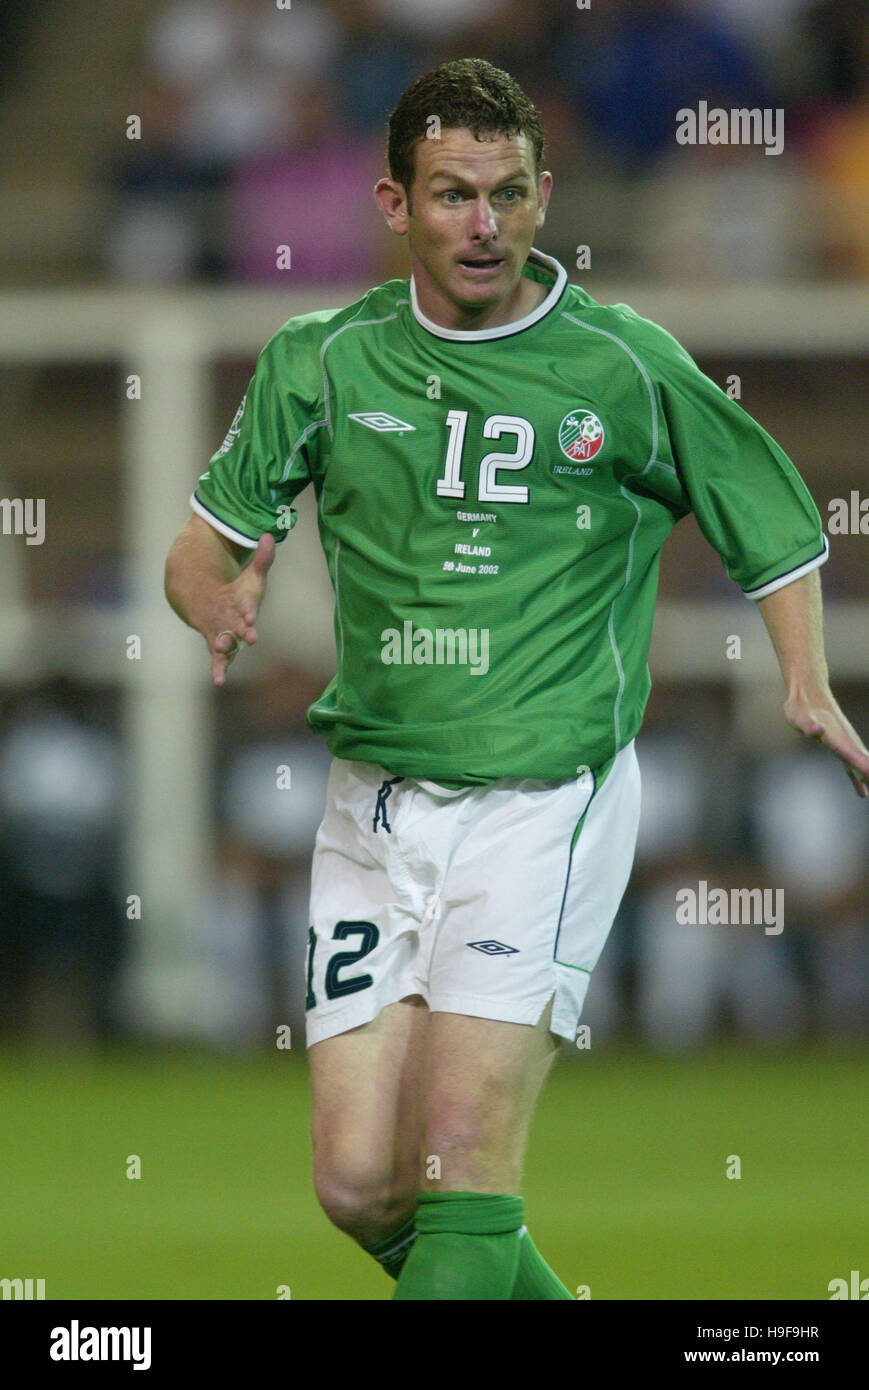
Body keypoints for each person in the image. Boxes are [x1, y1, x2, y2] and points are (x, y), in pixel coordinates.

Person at [164, 58, 869, 1300]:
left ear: (544, 197)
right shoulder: (319, 360)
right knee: (358, 1186)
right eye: (451, 195)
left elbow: (765, 512)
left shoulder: (621, 363)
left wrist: (803, 680)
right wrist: (206, 595)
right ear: (394, 205)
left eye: (507, 192)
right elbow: (199, 545)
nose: (482, 224)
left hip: (544, 799)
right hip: (371, 802)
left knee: (459, 1164)